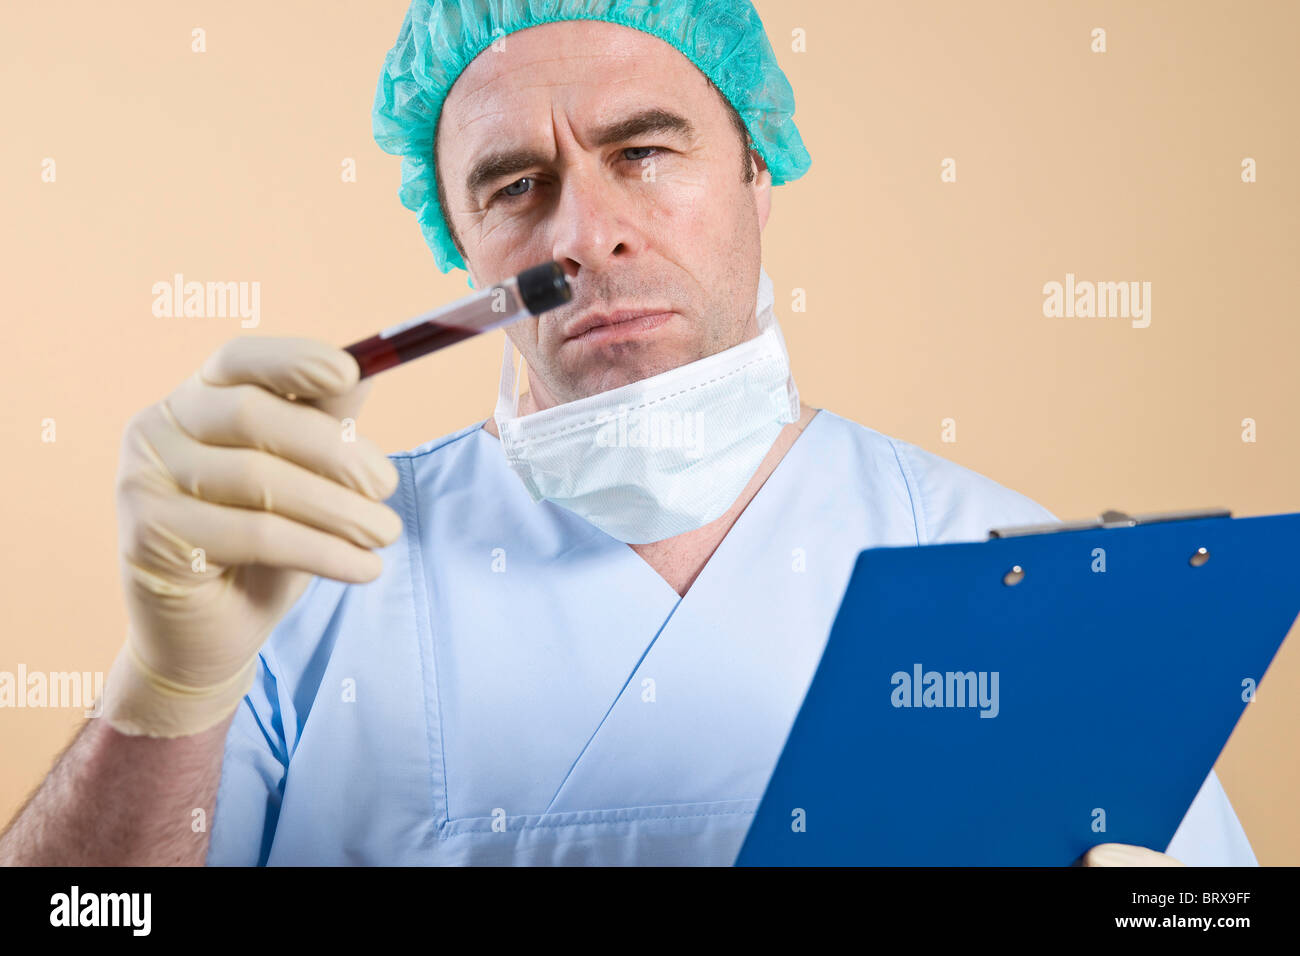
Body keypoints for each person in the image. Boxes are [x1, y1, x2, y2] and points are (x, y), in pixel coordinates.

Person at [0, 0, 1256, 867]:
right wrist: (163, 692)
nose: (576, 235)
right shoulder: (301, 583)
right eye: (512, 185)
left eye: (642, 151)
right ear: (461, 249)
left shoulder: (1012, 571)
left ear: (759, 172)